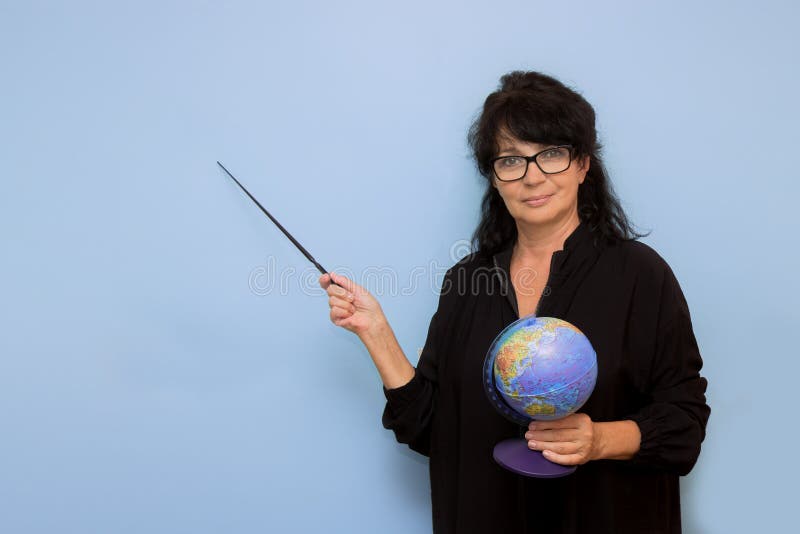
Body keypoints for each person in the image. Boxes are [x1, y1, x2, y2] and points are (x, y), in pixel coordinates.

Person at [318, 70, 710, 534]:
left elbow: (684, 423)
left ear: (584, 164)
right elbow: (429, 430)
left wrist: (599, 439)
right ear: (495, 179)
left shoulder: (641, 275)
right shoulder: (467, 282)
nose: (532, 176)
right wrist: (375, 332)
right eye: (510, 160)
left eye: (551, 154)